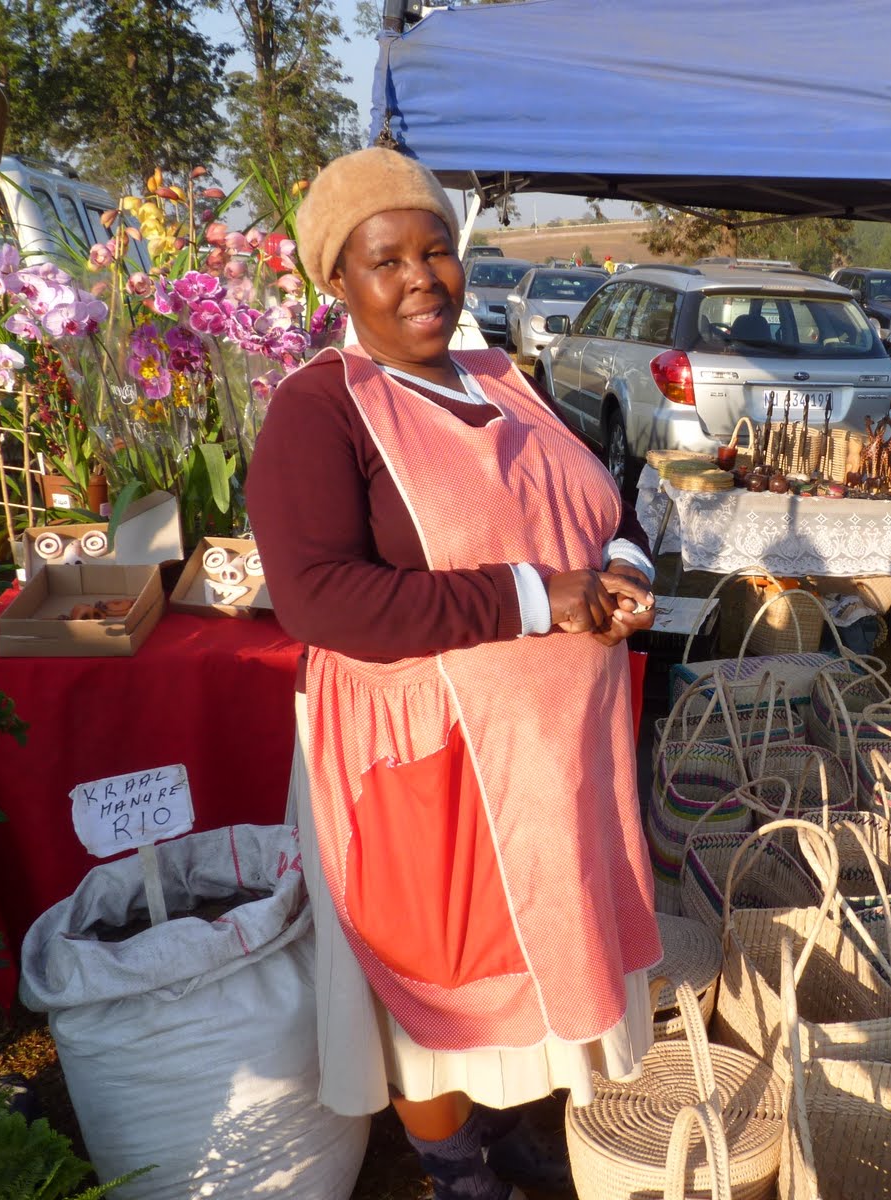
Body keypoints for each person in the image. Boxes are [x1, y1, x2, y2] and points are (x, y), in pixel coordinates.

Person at [246, 147, 662, 1200]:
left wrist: (624, 565)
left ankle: (505, 1124)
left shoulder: (499, 377)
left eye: (435, 251)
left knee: (535, 949)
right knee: (440, 974)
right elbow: (319, 599)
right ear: (336, 279)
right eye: (385, 260)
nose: (420, 279)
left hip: (551, 754)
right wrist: (535, 598)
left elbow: (605, 505)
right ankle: (454, 1169)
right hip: (432, 752)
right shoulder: (322, 408)